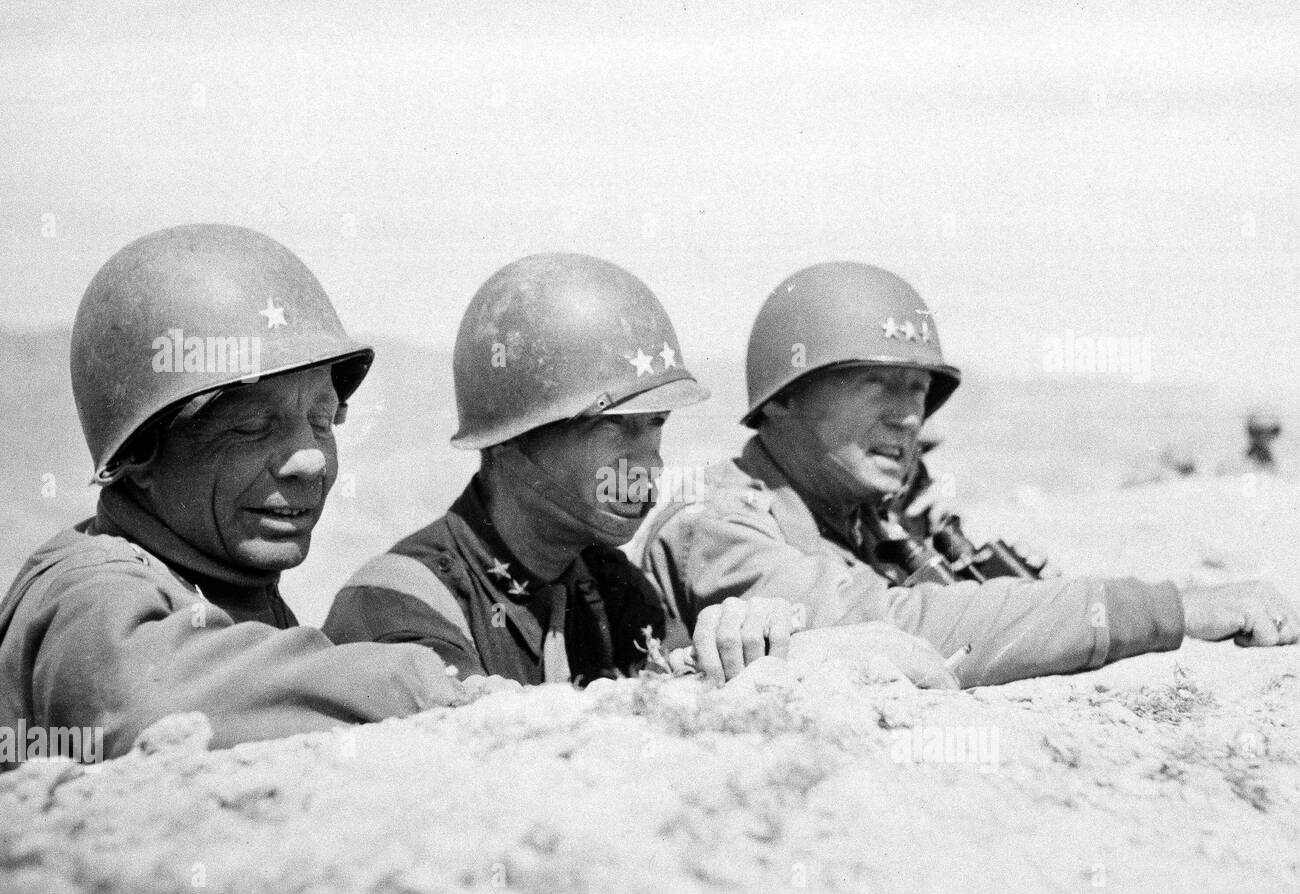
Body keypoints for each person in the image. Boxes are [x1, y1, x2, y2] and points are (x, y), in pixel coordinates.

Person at [639, 261, 1298, 687]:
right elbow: (891, 632)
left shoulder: (864, 517)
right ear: (782, 398)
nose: (907, 416)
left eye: (918, 389)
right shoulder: (720, 521)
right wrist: (1170, 609)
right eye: (876, 385)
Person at [0, 225, 462, 769]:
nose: (310, 460)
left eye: (321, 421)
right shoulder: (92, 592)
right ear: (143, 450)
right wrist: (419, 682)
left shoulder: (223, 581)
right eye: (251, 428)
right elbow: (144, 708)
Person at [324, 253, 895, 686]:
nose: (647, 468)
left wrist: (760, 647)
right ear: (514, 439)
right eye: (613, 428)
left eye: (656, 427)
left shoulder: (612, 588)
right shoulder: (400, 603)